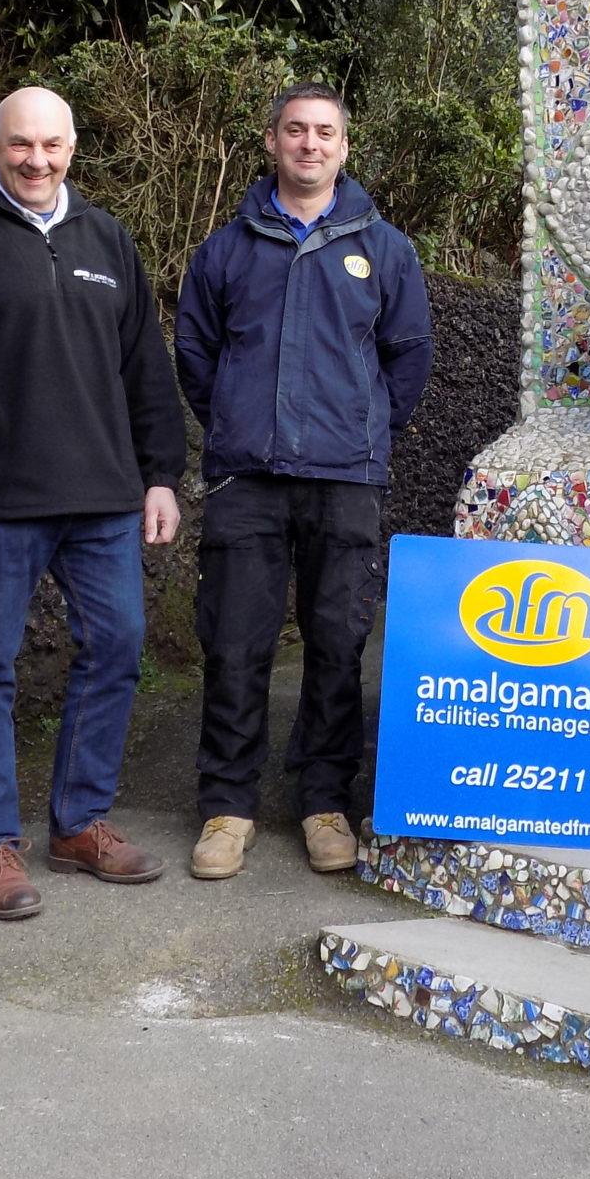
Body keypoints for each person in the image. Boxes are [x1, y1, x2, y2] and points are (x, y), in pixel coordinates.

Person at [0, 86, 189, 920]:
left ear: (73, 148)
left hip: (104, 500)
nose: (37, 160)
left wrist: (163, 473)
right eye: (21, 144)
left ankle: (80, 824)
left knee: (119, 647)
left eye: (52, 145)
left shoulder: (108, 240)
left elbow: (145, 373)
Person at [172, 85, 432, 880]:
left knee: (336, 644)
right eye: (296, 130)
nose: (310, 144)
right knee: (237, 645)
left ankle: (325, 802)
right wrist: (241, 421)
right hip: (247, 477)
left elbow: (408, 357)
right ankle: (228, 806)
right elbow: (196, 353)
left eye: (325, 132)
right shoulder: (225, 249)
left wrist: (359, 426)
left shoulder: (385, 249)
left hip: (345, 479)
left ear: (344, 148)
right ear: (272, 141)